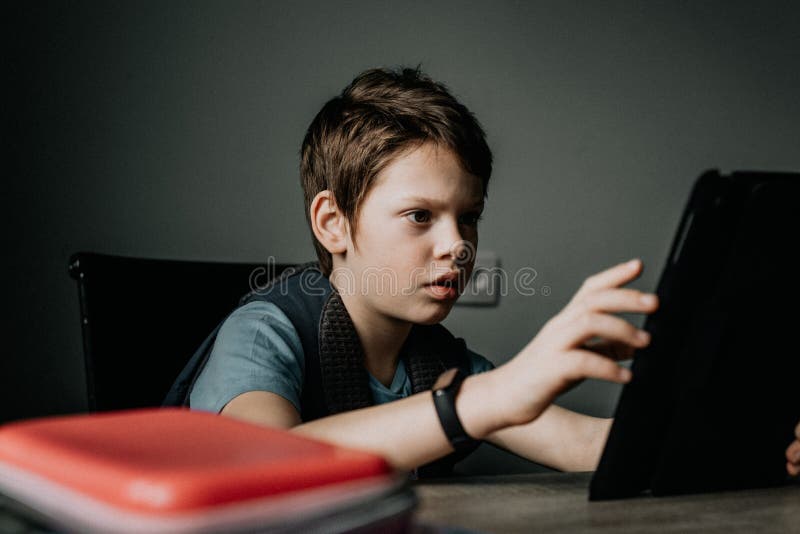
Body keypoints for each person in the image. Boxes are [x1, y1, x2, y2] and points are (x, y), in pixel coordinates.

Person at [171, 67, 800, 477]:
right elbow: (267, 465)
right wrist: (478, 403)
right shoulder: (261, 333)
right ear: (333, 224)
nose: (458, 245)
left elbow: (589, 446)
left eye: (468, 217)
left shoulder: (437, 359)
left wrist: (763, 441)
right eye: (420, 216)